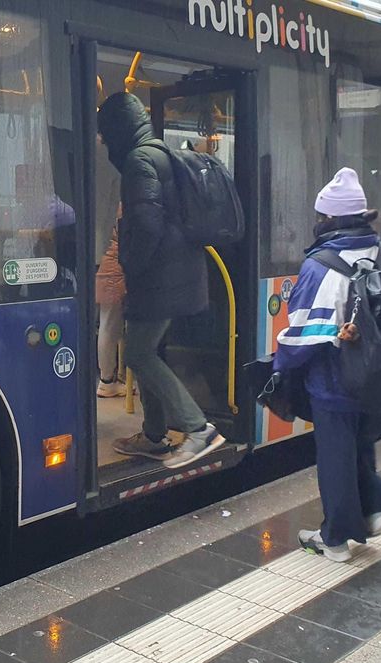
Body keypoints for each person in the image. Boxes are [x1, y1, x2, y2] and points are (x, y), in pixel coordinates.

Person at [273, 167, 381, 562]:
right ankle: (373, 512)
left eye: (319, 216)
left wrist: (281, 366)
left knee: (336, 457)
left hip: (335, 385)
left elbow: (305, 334)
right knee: (362, 447)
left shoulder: (321, 266)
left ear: (328, 220)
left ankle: (335, 539)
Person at [96, 91, 224, 469]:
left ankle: (198, 429)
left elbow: (147, 223)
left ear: (118, 129)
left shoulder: (139, 162)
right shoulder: (159, 153)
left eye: (105, 132)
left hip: (159, 277)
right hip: (175, 273)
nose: (103, 141)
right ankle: (155, 435)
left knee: (137, 352)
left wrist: (129, 264)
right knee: (148, 349)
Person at [96, 204, 126, 398]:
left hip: (104, 267)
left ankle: (112, 377)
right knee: (110, 326)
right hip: (114, 269)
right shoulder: (121, 208)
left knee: (108, 324)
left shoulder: (104, 207)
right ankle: (107, 380)